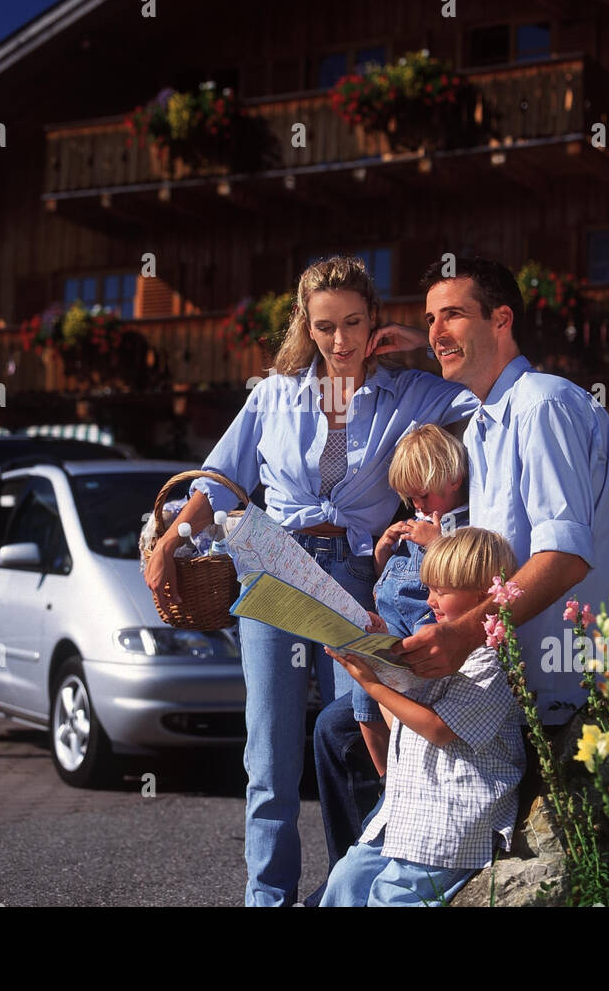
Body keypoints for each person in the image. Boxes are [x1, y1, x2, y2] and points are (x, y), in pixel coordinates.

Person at [143, 256, 478, 907]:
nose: (342, 340)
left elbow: (483, 391)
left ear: (374, 320)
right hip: (272, 561)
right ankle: (268, 898)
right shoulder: (273, 393)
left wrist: (416, 341)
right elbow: (216, 478)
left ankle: (363, 889)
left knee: (353, 730)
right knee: (269, 753)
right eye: (326, 326)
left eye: (355, 323)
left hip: (355, 574)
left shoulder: (409, 392)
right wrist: (169, 542)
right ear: (307, 324)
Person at [367, 256, 609, 794]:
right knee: (343, 729)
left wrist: (463, 635)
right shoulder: (482, 421)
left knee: (346, 738)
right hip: (508, 685)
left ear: (502, 320)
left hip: (565, 692)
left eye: (453, 315)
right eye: (429, 320)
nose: (437, 331)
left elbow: (564, 558)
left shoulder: (543, 405)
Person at [320, 527, 525, 906]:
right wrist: (378, 654)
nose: (430, 600)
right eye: (428, 588)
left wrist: (372, 683)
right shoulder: (437, 645)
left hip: (449, 820)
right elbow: (403, 721)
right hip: (409, 810)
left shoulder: (492, 657)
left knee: (392, 897)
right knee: (345, 882)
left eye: (441, 591)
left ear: (482, 598)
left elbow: (438, 729)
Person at [308, 424, 469, 900]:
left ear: (452, 480)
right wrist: (382, 554)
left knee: (339, 724)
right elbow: (392, 588)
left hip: (426, 652)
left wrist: (434, 541)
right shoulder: (415, 525)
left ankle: (387, 794)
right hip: (394, 640)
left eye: (423, 496)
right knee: (339, 721)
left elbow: (457, 581)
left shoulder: (457, 529)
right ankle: (369, 825)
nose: (417, 508)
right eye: (409, 501)